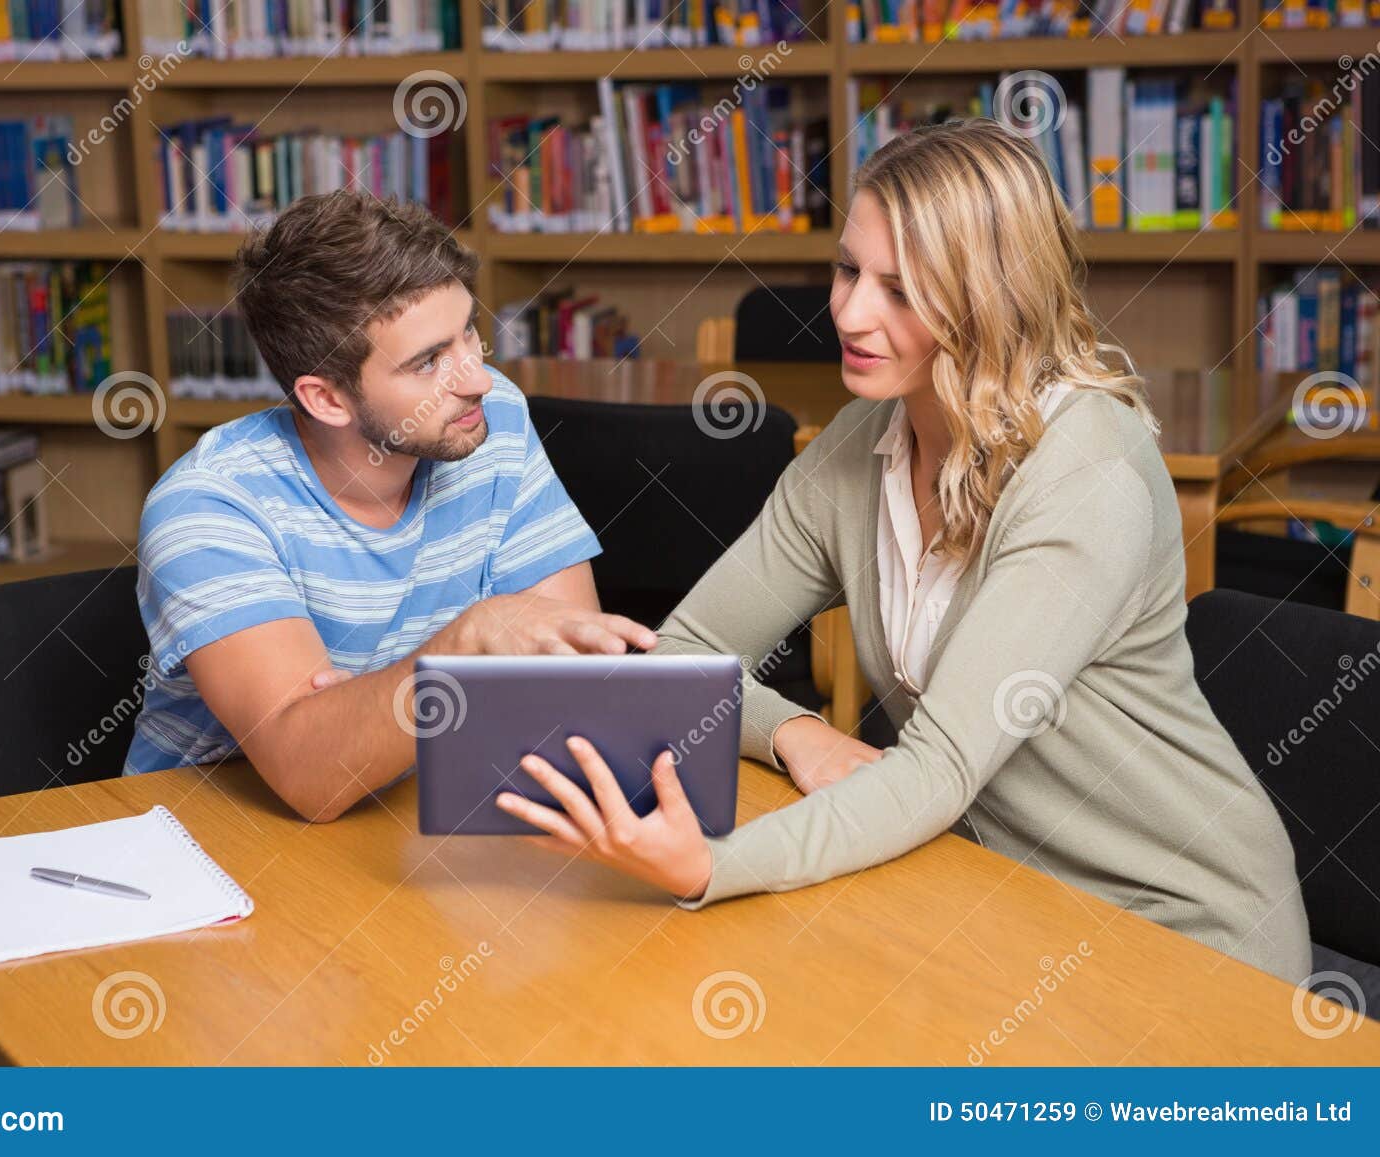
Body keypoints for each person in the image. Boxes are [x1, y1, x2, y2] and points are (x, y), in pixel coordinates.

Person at [494, 118, 1313, 986]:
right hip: (996, 894)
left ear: (991, 296)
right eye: (849, 270)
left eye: (902, 288)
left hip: (1185, 936)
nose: (847, 312)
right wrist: (796, 733)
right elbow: (687, 655)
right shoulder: (861, 446)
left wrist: (709, 865)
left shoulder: (1089, 475)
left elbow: (939, 771)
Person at [124, 191, 656, 820]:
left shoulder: (490, 420)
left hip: (421, 803)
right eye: (430, 361)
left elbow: (568, 681)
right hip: (215, 836)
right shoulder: (207, 508)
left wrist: (362, 712)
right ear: (326, 399)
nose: (477, 377)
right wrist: (470, 643)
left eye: (469, 335)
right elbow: (312, 775)